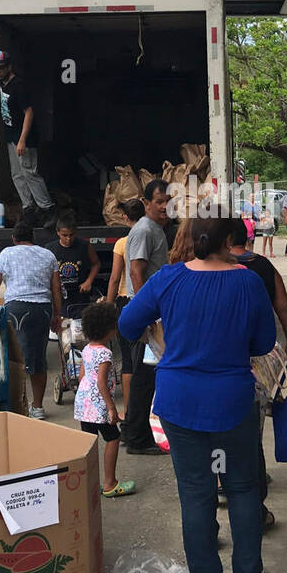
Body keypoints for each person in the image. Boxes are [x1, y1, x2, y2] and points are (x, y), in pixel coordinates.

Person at [118, 217, 277, 573]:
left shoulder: (168, 278)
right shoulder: (248, 281)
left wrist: (168, 333)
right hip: (231, 400)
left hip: (179, 399)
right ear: (228, 240)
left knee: (195, 492)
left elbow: (127, 323)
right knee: (241, 488)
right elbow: (264, 342)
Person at [232, 218, 287, 532]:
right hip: (257, 360)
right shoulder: (262, 266)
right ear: (246, 236)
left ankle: (224, 480)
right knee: (251, 431)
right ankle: (254, 504)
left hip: (220, 362)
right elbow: (282, 305)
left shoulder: (208, 268)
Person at [0, 220, 60, 420]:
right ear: (33, 238)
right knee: (38, 359)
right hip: (42, 310)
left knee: (12, 358)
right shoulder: (48, 255)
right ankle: (37, 407)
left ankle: (15, 406)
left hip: (16, 309)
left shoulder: (7, 253)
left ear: (14, 239)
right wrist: (57, 315)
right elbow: (56, 289)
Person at [121, 179, 172, 454]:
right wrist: (145, 312)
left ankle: (132, 432)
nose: (165, 206)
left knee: (145, 375)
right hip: (145, 314)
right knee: (143, 376)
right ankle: (137, 438)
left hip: (151, 311)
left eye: (168, 201)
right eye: (160, 201)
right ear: (146, 203)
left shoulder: (155, 229)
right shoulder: (144, 230)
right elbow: (136, 272)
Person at [74, 300, 134, 498]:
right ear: (109, 330)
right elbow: (101, 382)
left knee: (88, 444)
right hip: (98, 405)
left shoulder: (87, 349)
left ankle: (86, 484)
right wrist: (111, 408)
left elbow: (83, 377)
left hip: (84, 405)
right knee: (113, 438)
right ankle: (110, 483)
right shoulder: (105, 354)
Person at [0, 48, 56, 229]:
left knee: (30, 173)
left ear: (9, 67)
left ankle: (48, 209)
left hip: (24, 137)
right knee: (17, 175)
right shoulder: (2, 83)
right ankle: (29, 209)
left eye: (1, 68)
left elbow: (29, 112)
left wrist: (22, 139)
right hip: (11, 135)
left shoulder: (18, 85)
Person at [106, 198, 145, 417]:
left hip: (125, 301)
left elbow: (114, 277)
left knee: (129, 361)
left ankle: (129, 411)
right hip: (147, 300)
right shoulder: (150, 236)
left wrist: (109, 305)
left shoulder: (122, 243)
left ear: (125, 217)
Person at [53, 213, 101, 316]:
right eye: (64, 235)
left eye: (71, 235)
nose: (68, 239)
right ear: (58, 232)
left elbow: (96, 263)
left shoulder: (84, 246)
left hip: (80, 294)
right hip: (60, 296)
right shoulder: (51, 249)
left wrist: (89, 281)